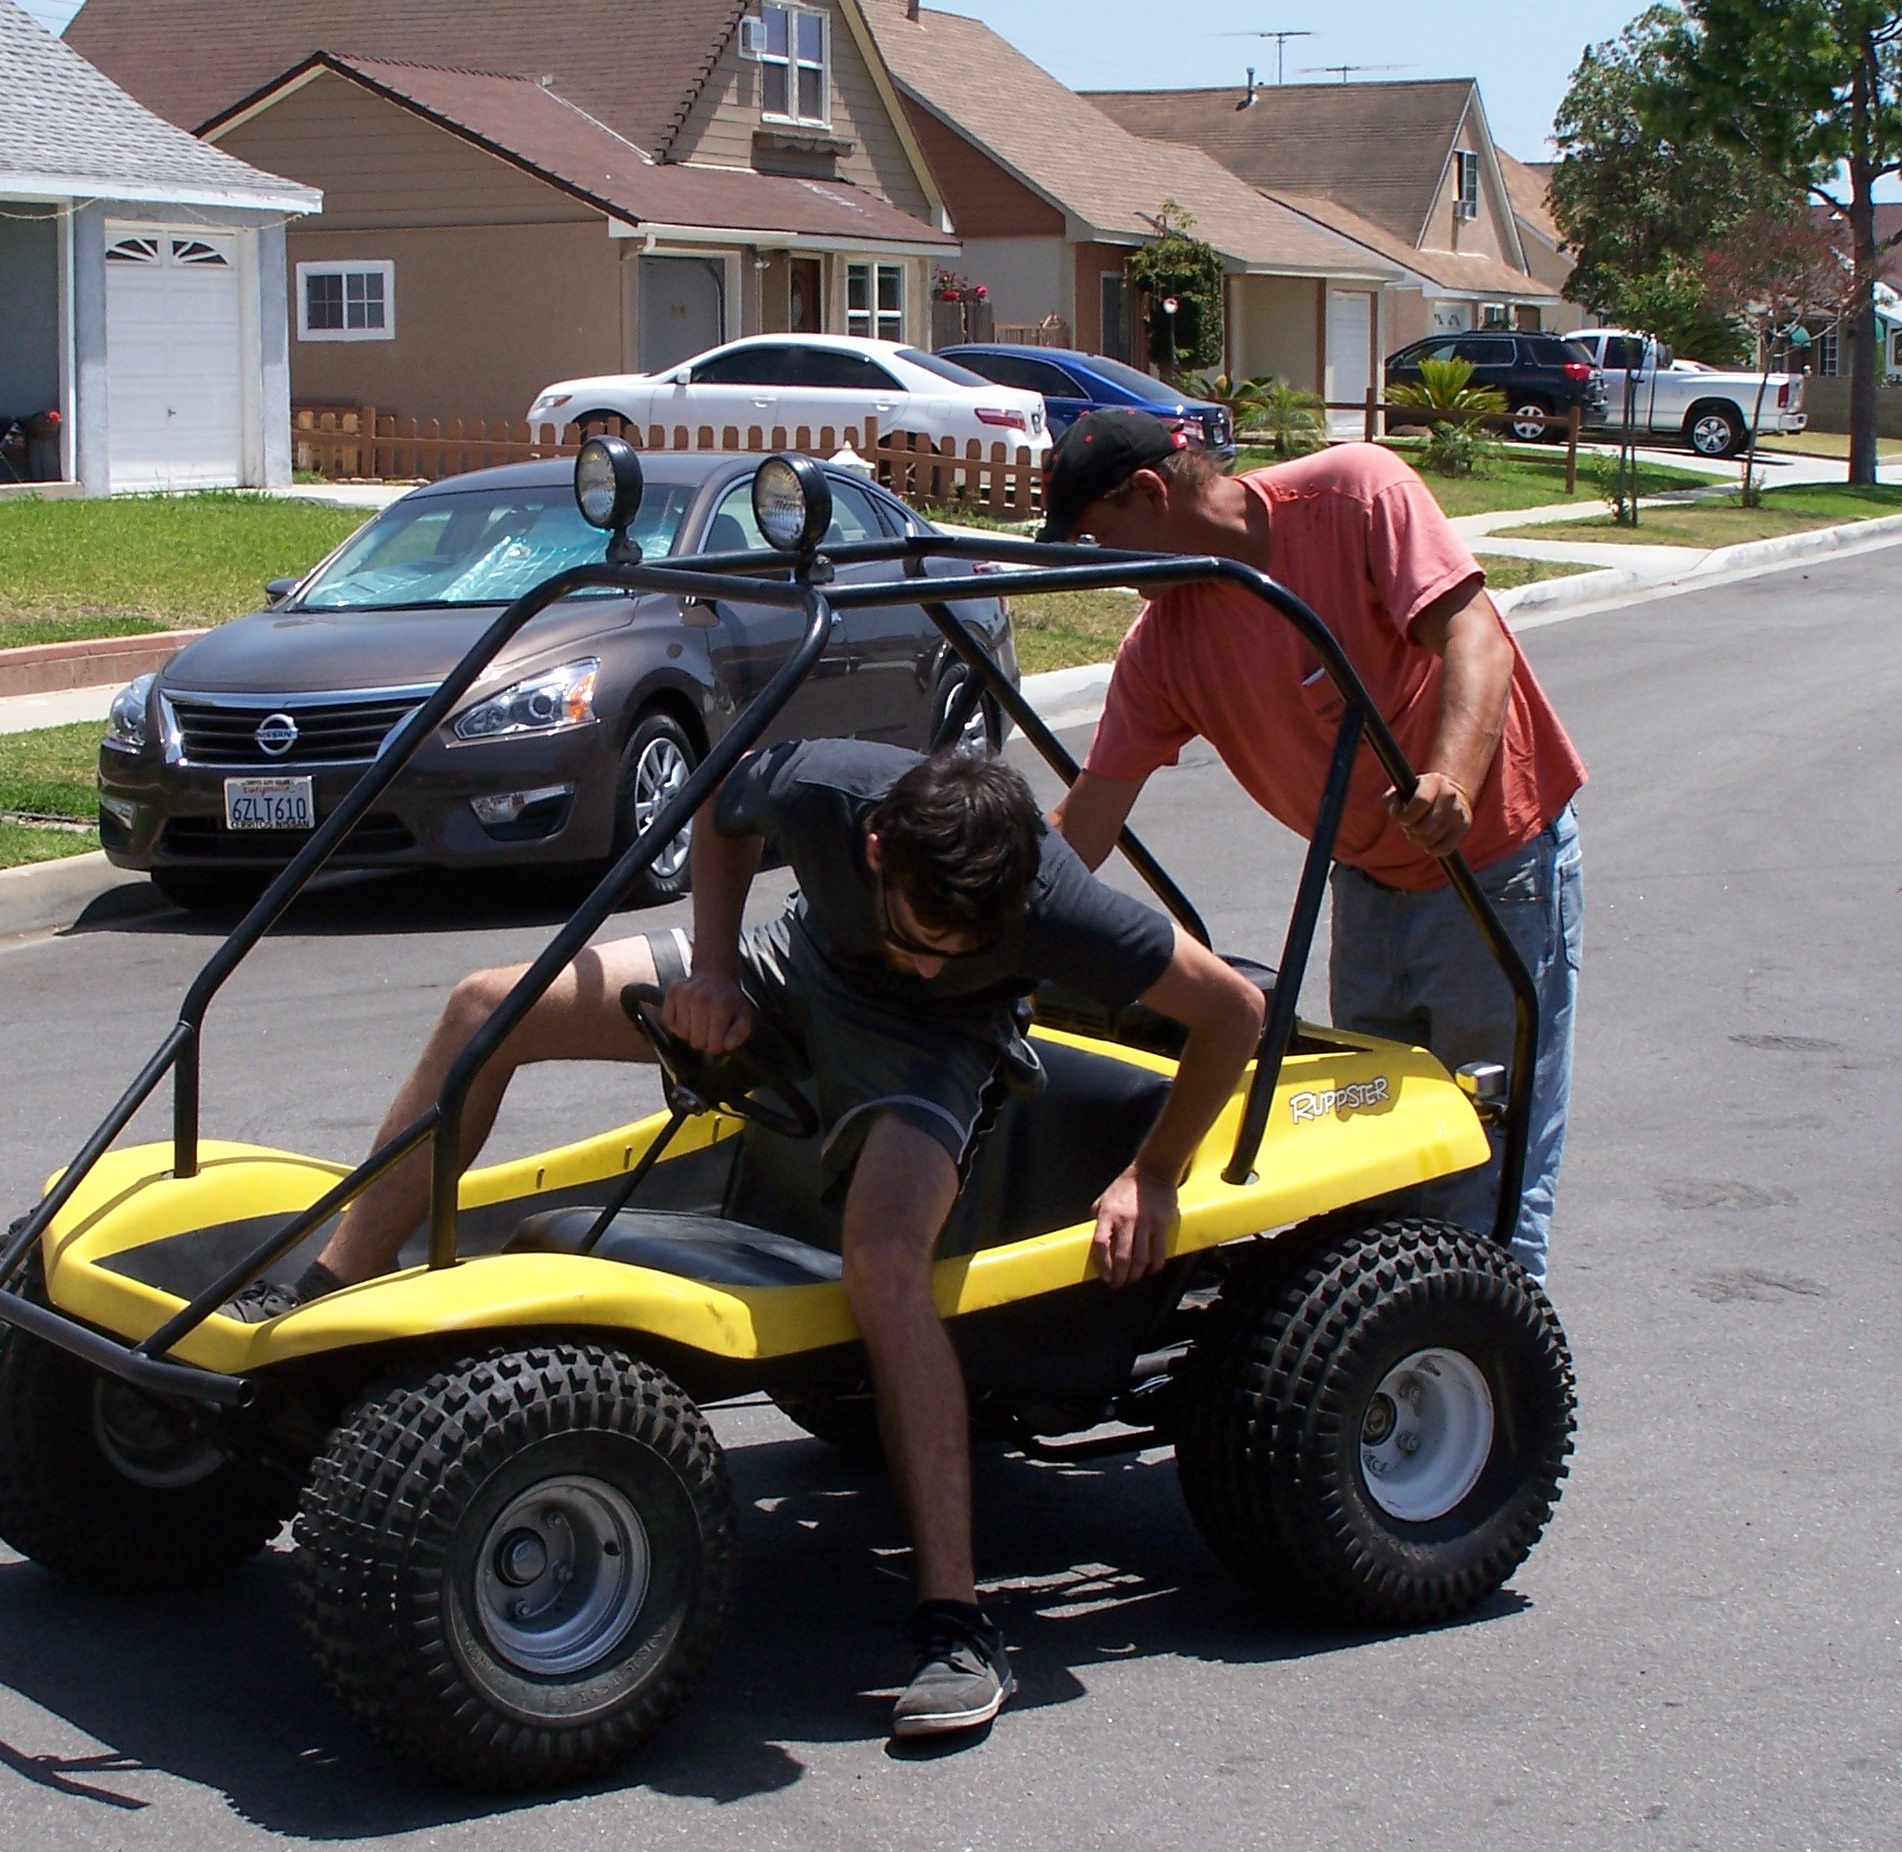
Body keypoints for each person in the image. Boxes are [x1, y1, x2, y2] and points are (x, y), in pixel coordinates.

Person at [246, 739, 1265, 1740]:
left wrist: (1152, 1177)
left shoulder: (1053, 905)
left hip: (933, 1046)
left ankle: (955, 1623)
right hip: (792, 963)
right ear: (875, 850)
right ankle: (322, 1296)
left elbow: (1233, 1012)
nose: (921, 960)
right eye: (915, 933)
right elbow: (720, 801)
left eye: (955, 946)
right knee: (484, 1007)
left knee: (883, 1264)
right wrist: (718, 965)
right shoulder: (829, 788)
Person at [1038, 410, 1585, 1282]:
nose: (1112, 572)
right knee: (1375, 1143)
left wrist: (1451, 779)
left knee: (1487, 1159)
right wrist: (985, 908)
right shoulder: (1165, 643)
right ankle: (1404, 1350)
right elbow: (1090, 818)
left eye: (1103, 541)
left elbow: (1475, 637)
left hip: (1493, 870)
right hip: (1369, 880)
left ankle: (1496, 1374)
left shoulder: (1355, 495)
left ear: (1149, 492)